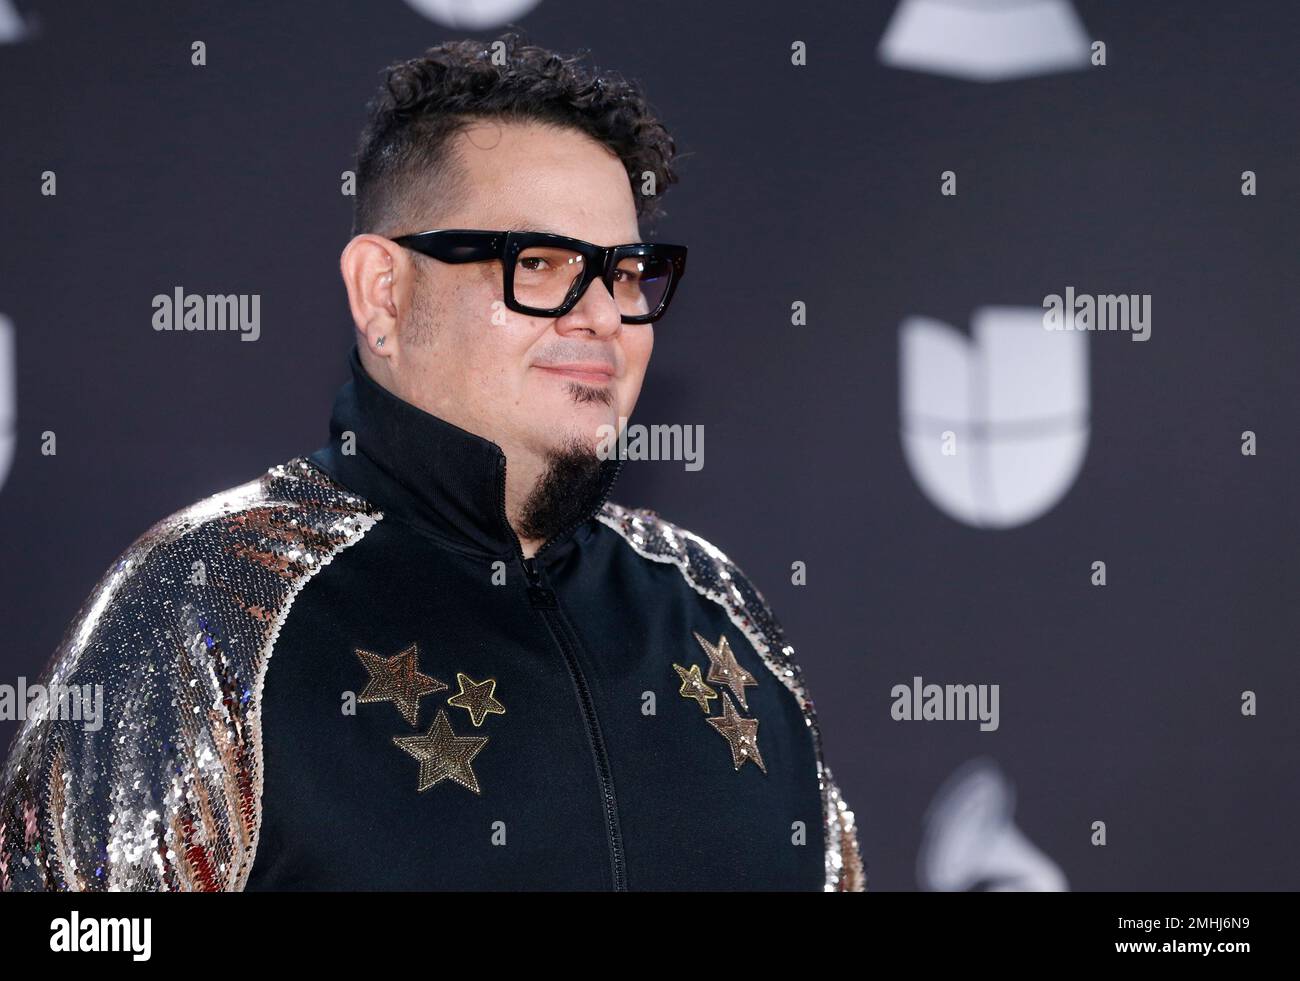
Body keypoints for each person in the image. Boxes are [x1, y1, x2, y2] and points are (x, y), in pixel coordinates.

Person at [0, 32, 863, 891]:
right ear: (385, 293)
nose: (604, 315)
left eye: (628, 274)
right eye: (541, 263)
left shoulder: (715, 605)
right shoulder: (213, 601)